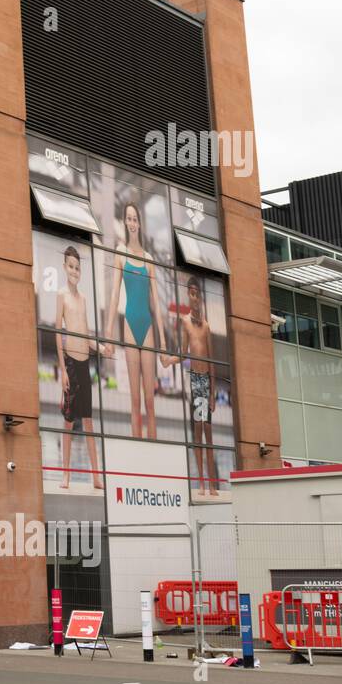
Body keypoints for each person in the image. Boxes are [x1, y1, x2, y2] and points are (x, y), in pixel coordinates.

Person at [101, 200, 166, 440]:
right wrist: (108, 334)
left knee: (150, 400)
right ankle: (138, 447)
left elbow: (157, 304)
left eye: (135, 219)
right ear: (125, 222)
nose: (131, 223)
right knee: (135, 400)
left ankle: (153, 448)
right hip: (129, 324)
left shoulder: (149, 259)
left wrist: (163, 342)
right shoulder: (121, 253)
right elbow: (115, 295)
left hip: (147, 327)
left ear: (140, 223)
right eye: (128, 218)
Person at [160, 277, 219, 495]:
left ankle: (212, 483)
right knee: (197, 432)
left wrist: (212, 394)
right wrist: (169, 361)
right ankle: (202, 482)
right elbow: (183, 353)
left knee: (208, 432)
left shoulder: (207, 327)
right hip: (194, 380)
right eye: (191, 294)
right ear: (189, 296)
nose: (194, 298)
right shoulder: (185, 322)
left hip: (205, 381)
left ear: (201, 297)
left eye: (197, 294)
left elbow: (212, 362)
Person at [54, 246, 103, 491]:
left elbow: (85, 334)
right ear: (65, 267)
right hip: (71, 363)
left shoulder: (83, 299)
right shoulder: (61, 295)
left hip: (85, 363)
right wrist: (63, 369)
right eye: (70, 266)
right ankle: (66, 476)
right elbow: (57, 333)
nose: (74, 271)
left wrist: (100, 348)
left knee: (89, 421)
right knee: (69, 422)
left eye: (77, 267)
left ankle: (96, 476)